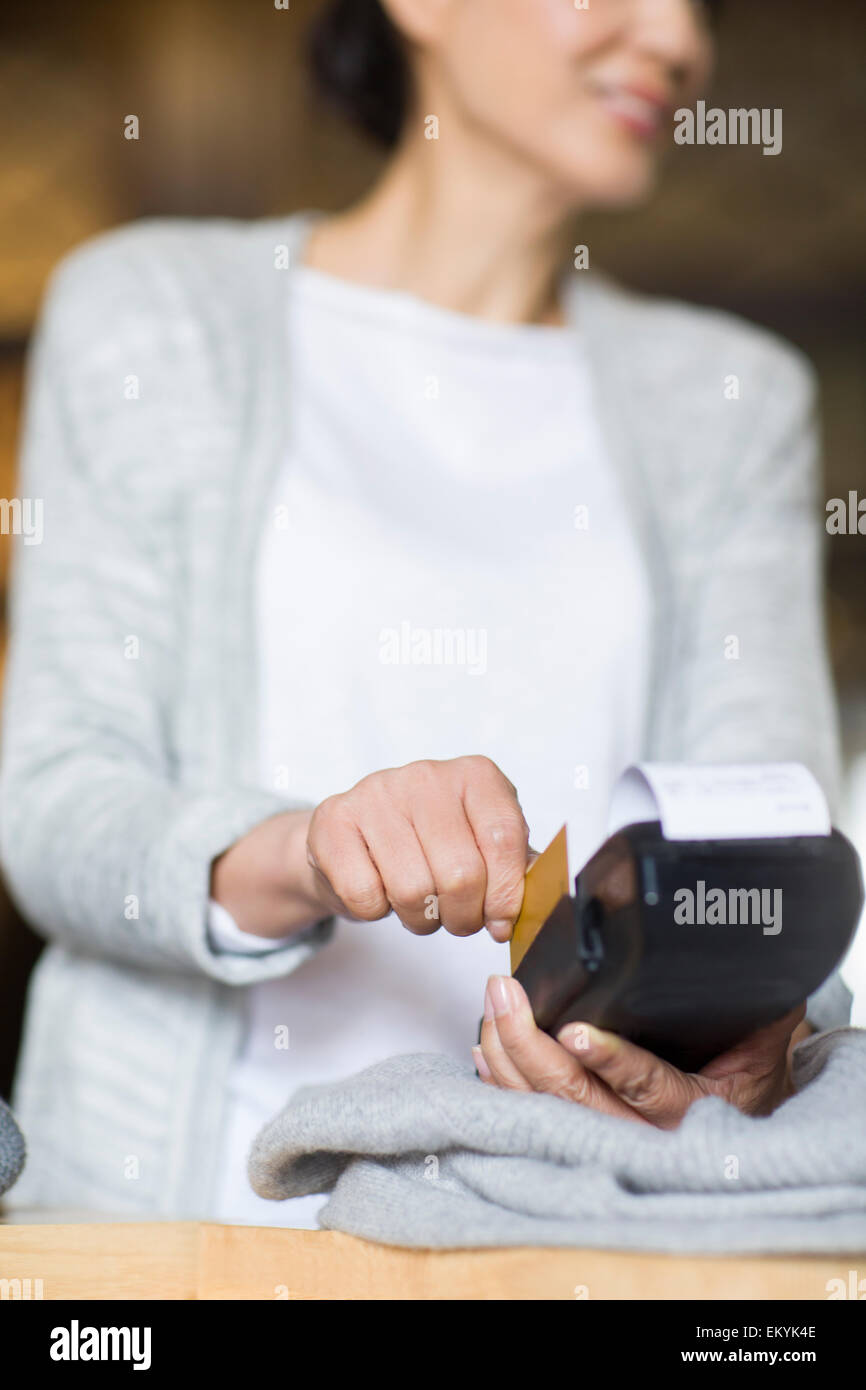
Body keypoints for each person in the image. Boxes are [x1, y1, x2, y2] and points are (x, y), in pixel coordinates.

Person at [0, 0, 843, 1227]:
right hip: (176, 1224)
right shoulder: (153, 312)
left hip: (572, 1227)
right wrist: (305, 846)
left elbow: (766, 863)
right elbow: (59, 807)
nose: (677, 40)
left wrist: (734, 1041)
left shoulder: (730, 401)